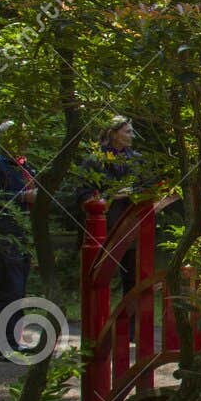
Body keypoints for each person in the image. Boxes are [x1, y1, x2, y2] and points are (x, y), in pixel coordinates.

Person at [0, 120, 38, 360]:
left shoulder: (22, 165)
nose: (24, 141)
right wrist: (24, 197)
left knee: (18, 288)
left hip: (21, 233)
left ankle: (13, 342)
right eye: (19, 136)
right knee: (8, 288)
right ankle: (3, 347)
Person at [77, 116, 143, 294]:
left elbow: (148, 189)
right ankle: (99, 320)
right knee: (99, 277)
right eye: (128, 131)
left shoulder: (137, 160)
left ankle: (130, 321)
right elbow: (83, 194)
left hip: (131, 225)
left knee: (133, 279)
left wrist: (133, 193)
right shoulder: (94, 160)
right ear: (113, 133)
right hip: (103, 228)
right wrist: (109, 196)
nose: (132, 136)